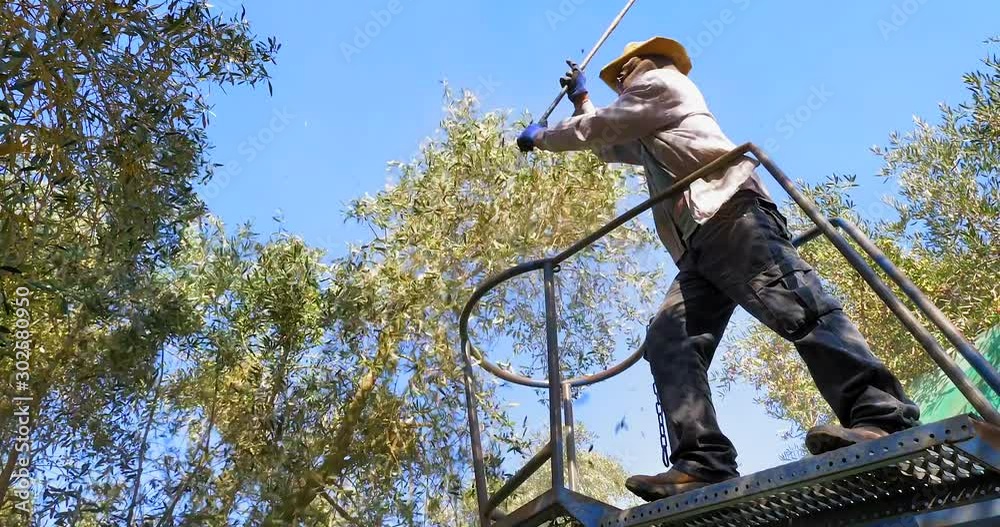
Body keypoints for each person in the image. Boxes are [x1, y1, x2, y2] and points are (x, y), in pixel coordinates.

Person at [516, 37, 920, 502]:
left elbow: (605, 127)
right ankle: (703, 464)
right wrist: (582, 102)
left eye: (620, 74)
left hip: (731, 213)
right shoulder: (648, 116)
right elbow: (612, 144)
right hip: (697, 245)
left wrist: (545, 136)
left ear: (639, 65)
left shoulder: (663, 84)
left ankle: (882, 417)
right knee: (669, 337)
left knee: (796, 307)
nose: (620, 81)